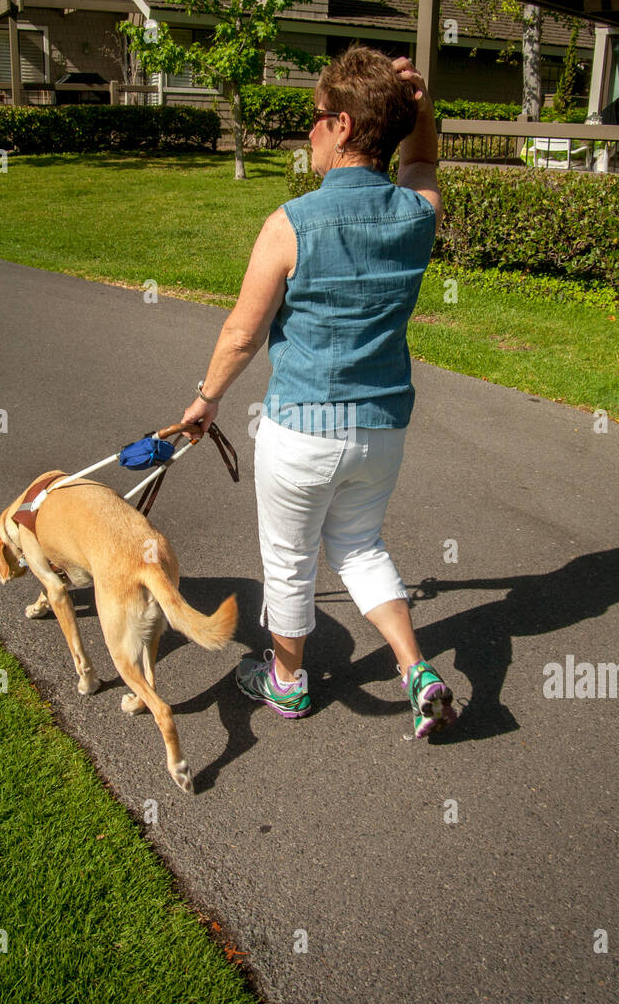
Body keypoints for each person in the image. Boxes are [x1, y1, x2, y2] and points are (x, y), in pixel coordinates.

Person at [178, 45, 457, 738]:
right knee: (361, 546)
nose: (309, 132)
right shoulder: (415, 215)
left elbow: (243, 334)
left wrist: (206, 398)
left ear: (340, 127)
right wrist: (423, 108)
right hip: (381, 429)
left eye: (316, 119)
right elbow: (422, 162)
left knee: (290, 561)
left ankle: (288, 683)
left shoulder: (291, 222)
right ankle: (417, 670)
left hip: (303, 430)